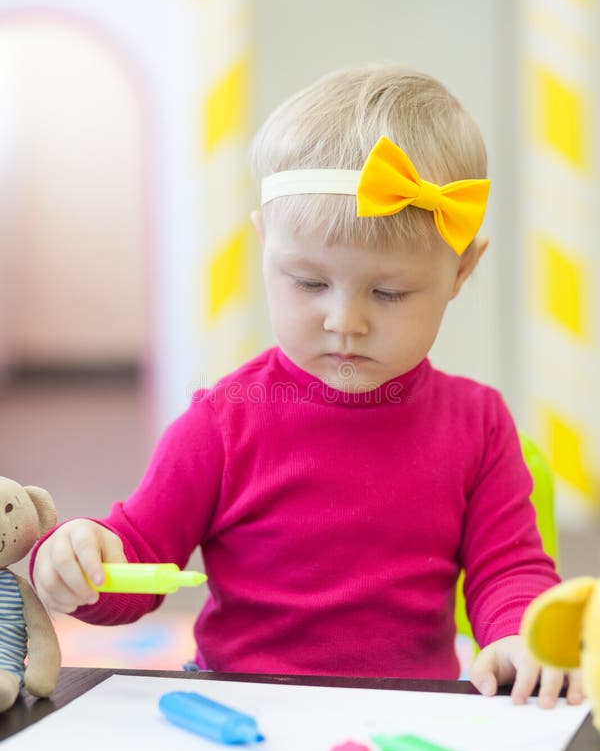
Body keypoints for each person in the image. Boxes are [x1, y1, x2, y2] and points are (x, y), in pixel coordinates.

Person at [31, 64, 581, 707]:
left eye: (389, 292)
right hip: (242, 711)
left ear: (461, 271)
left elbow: (509, 568)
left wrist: (518, 637)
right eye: (309, 283)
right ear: (265, 244)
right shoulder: (223, 421)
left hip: (411, 715)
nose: (344, 321)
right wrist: (82, 562)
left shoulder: (478, 424)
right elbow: (140, 553)